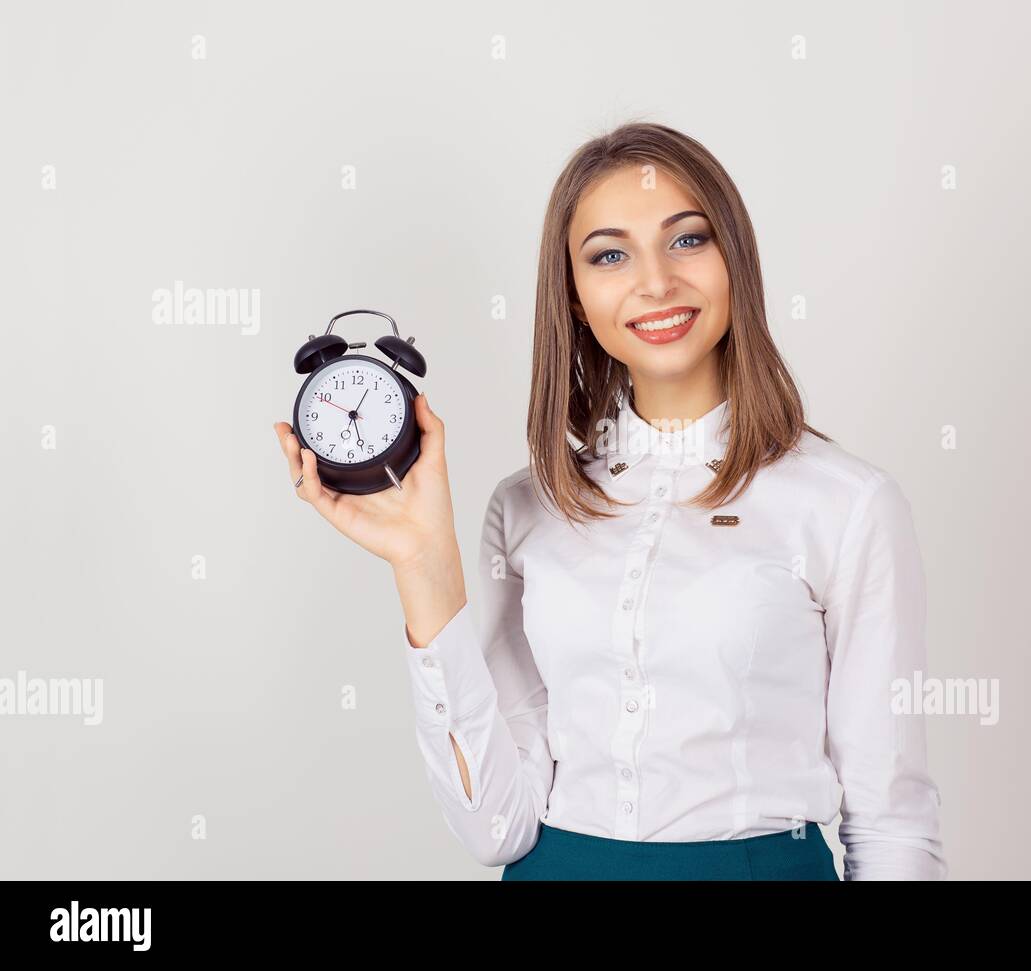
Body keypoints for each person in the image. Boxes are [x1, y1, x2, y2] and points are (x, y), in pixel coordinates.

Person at [273, 122, 948, 881]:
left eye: (687, 240)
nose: (654, 282)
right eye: (610, 254)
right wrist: (421, 561)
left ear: (737, 259)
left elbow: (890, 820)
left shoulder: (847, 505)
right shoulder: (525, 509)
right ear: (574, 291)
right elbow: (497, 826)